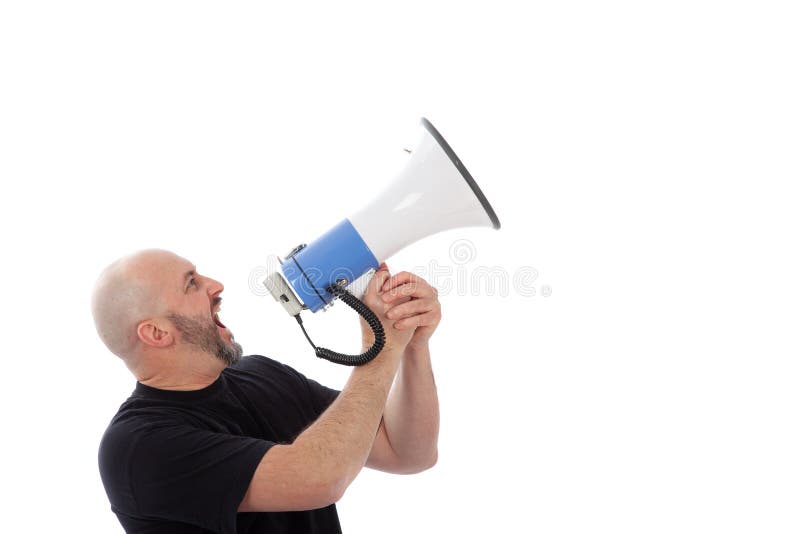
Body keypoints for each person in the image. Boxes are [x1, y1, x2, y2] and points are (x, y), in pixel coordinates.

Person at [92, 249, 441, 534]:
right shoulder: (138, 447)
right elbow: (320, 477)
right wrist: (380, 350)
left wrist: (410, 340)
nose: (216, 286)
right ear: (156, 333)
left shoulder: (262, 374)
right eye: (191, 284)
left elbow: (408, 453)